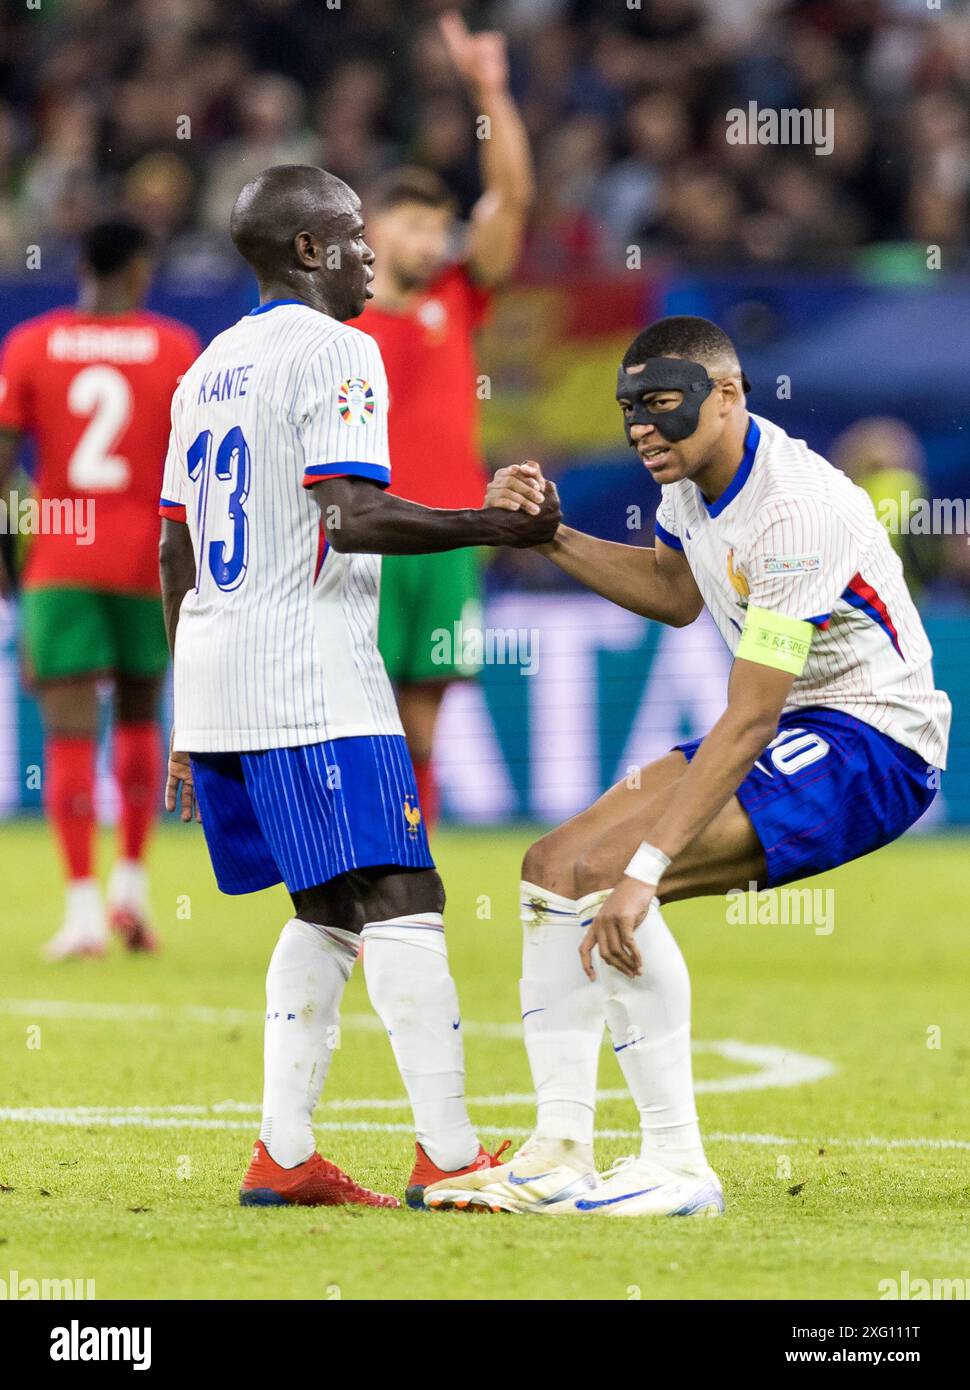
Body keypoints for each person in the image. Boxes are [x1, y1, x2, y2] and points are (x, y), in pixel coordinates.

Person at [422, 314, 951, 1217]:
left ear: (729, 396)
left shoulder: (796, 512)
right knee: (552, 868)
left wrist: (648, 869)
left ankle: (678, 1165)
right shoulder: (692, 483)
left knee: (612, 879)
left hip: (873, 742)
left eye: (663, 404)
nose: (641, 428)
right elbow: (676, 594)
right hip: (794, 723)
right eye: (630, 408)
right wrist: (547, 535)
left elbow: (750, 714)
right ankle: (558, 1153)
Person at [158, 163, 559, 1208]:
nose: (371, 249)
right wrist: (491, 524)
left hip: (220, 675)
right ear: (304, 251)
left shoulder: (205, 368)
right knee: (403, 894)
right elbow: (349, 515)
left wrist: (184, 710)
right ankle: (451, 1155)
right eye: (348, 232)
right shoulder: (342, 350)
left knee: (330, 907)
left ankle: (284, 1157)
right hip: (312, 676)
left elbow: (173, 552)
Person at [348, 10, 534, 827]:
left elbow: (514, 195)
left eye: (440, 226)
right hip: (367, 534)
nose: (434, 240)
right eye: (417, 225)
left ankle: (408, 864)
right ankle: (356, 860)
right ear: (377, 231)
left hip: (453, 531)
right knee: (363, 711)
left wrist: (489, 89)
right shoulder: (337, 322)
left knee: (424, 716)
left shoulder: (458, 296)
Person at [0, 218, 201, 960]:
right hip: (149, 561)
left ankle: (81, 911)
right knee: (144, 717)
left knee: (69, 730)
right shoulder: (176, 347)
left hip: (59, 560)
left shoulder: (31, 345)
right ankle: (132, 891)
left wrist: (9, 578)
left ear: (81, 265)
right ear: (141, 271)